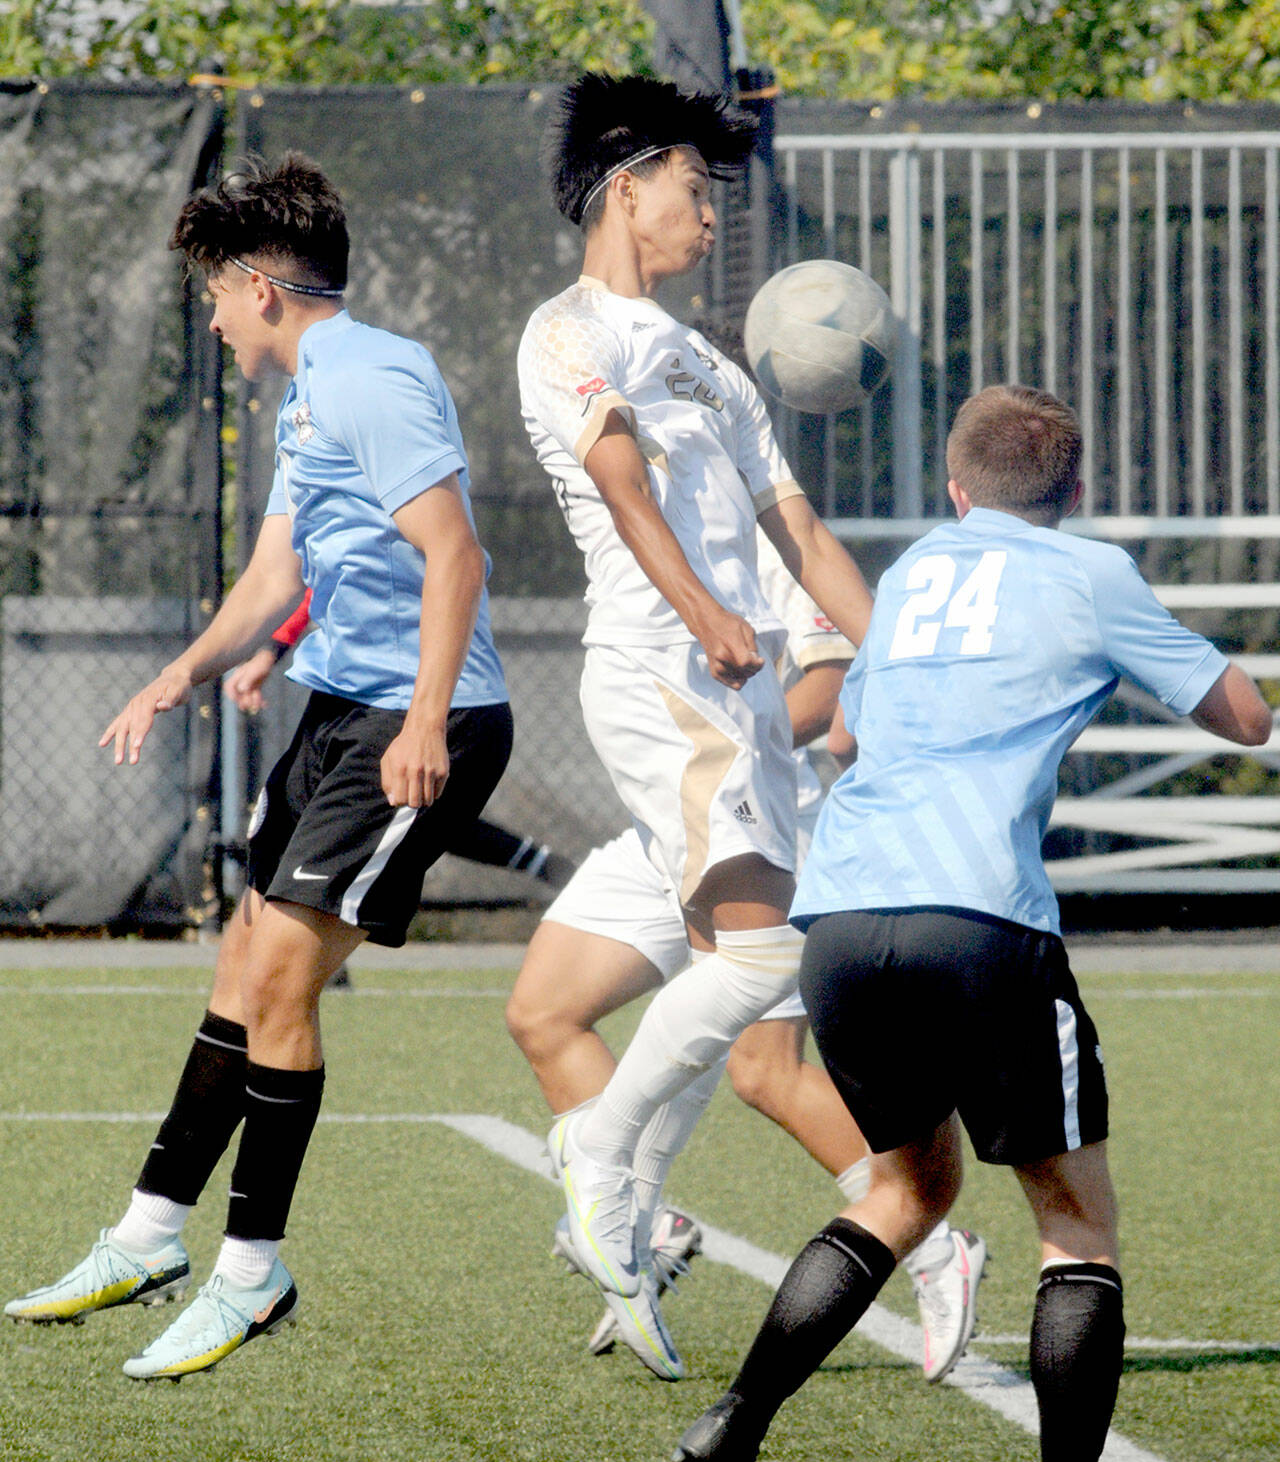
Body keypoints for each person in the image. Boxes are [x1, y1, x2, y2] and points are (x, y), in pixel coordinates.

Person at [674, 384, 1272, 1462]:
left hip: (843, 922)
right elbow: (1242, 715)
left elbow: (847, 731)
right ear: (1075, 490)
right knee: (1074, 1220)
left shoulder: (907, 574)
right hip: (981, 918)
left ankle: (731, 1422)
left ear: (956, 487)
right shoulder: (1088, 572)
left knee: (905, 1188)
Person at [5, 154, 513, 1381]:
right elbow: (275, 579)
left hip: (413, 721)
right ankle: (146, 1234)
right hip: (341, 711)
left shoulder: (370, 375)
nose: (213, 316)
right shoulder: (306, 394)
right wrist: (181, 669)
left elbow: (454, 557)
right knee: (243, 963)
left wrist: (425, 722)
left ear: (259, 286)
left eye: (215, 296)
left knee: (280, 984)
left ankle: (251, 1271)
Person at [516, 70, 874, 1306]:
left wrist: (900, 666)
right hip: (662, 676)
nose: (710, 217)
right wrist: (706, 611)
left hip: (741, 706)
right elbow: (620, 480)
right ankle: (605, 1155)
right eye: (690, 187)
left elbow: (804, 535)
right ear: (626, 190)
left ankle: (616, 1173)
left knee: (747, 969)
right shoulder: (567, 332)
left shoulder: (713, 367)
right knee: (768, 964)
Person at [506, 528, 985, 1382]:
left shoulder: (768, 533)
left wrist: (724, 744)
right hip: (666, 826)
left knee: (765, 1070)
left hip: (761, 826)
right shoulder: (643, 533)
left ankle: (933, 1245)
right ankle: (648, 1227)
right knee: (544, 1012)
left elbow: (831, 688)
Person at [225, 592, 575, 889]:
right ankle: (544, 864)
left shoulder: (419, 527)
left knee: (414, 805)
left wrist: (428, 724)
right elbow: (304, 581)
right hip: (347, 696)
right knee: (303, 837)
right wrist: (267, 651)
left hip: (402, 698)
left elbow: (457, 564)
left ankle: (548, 866)